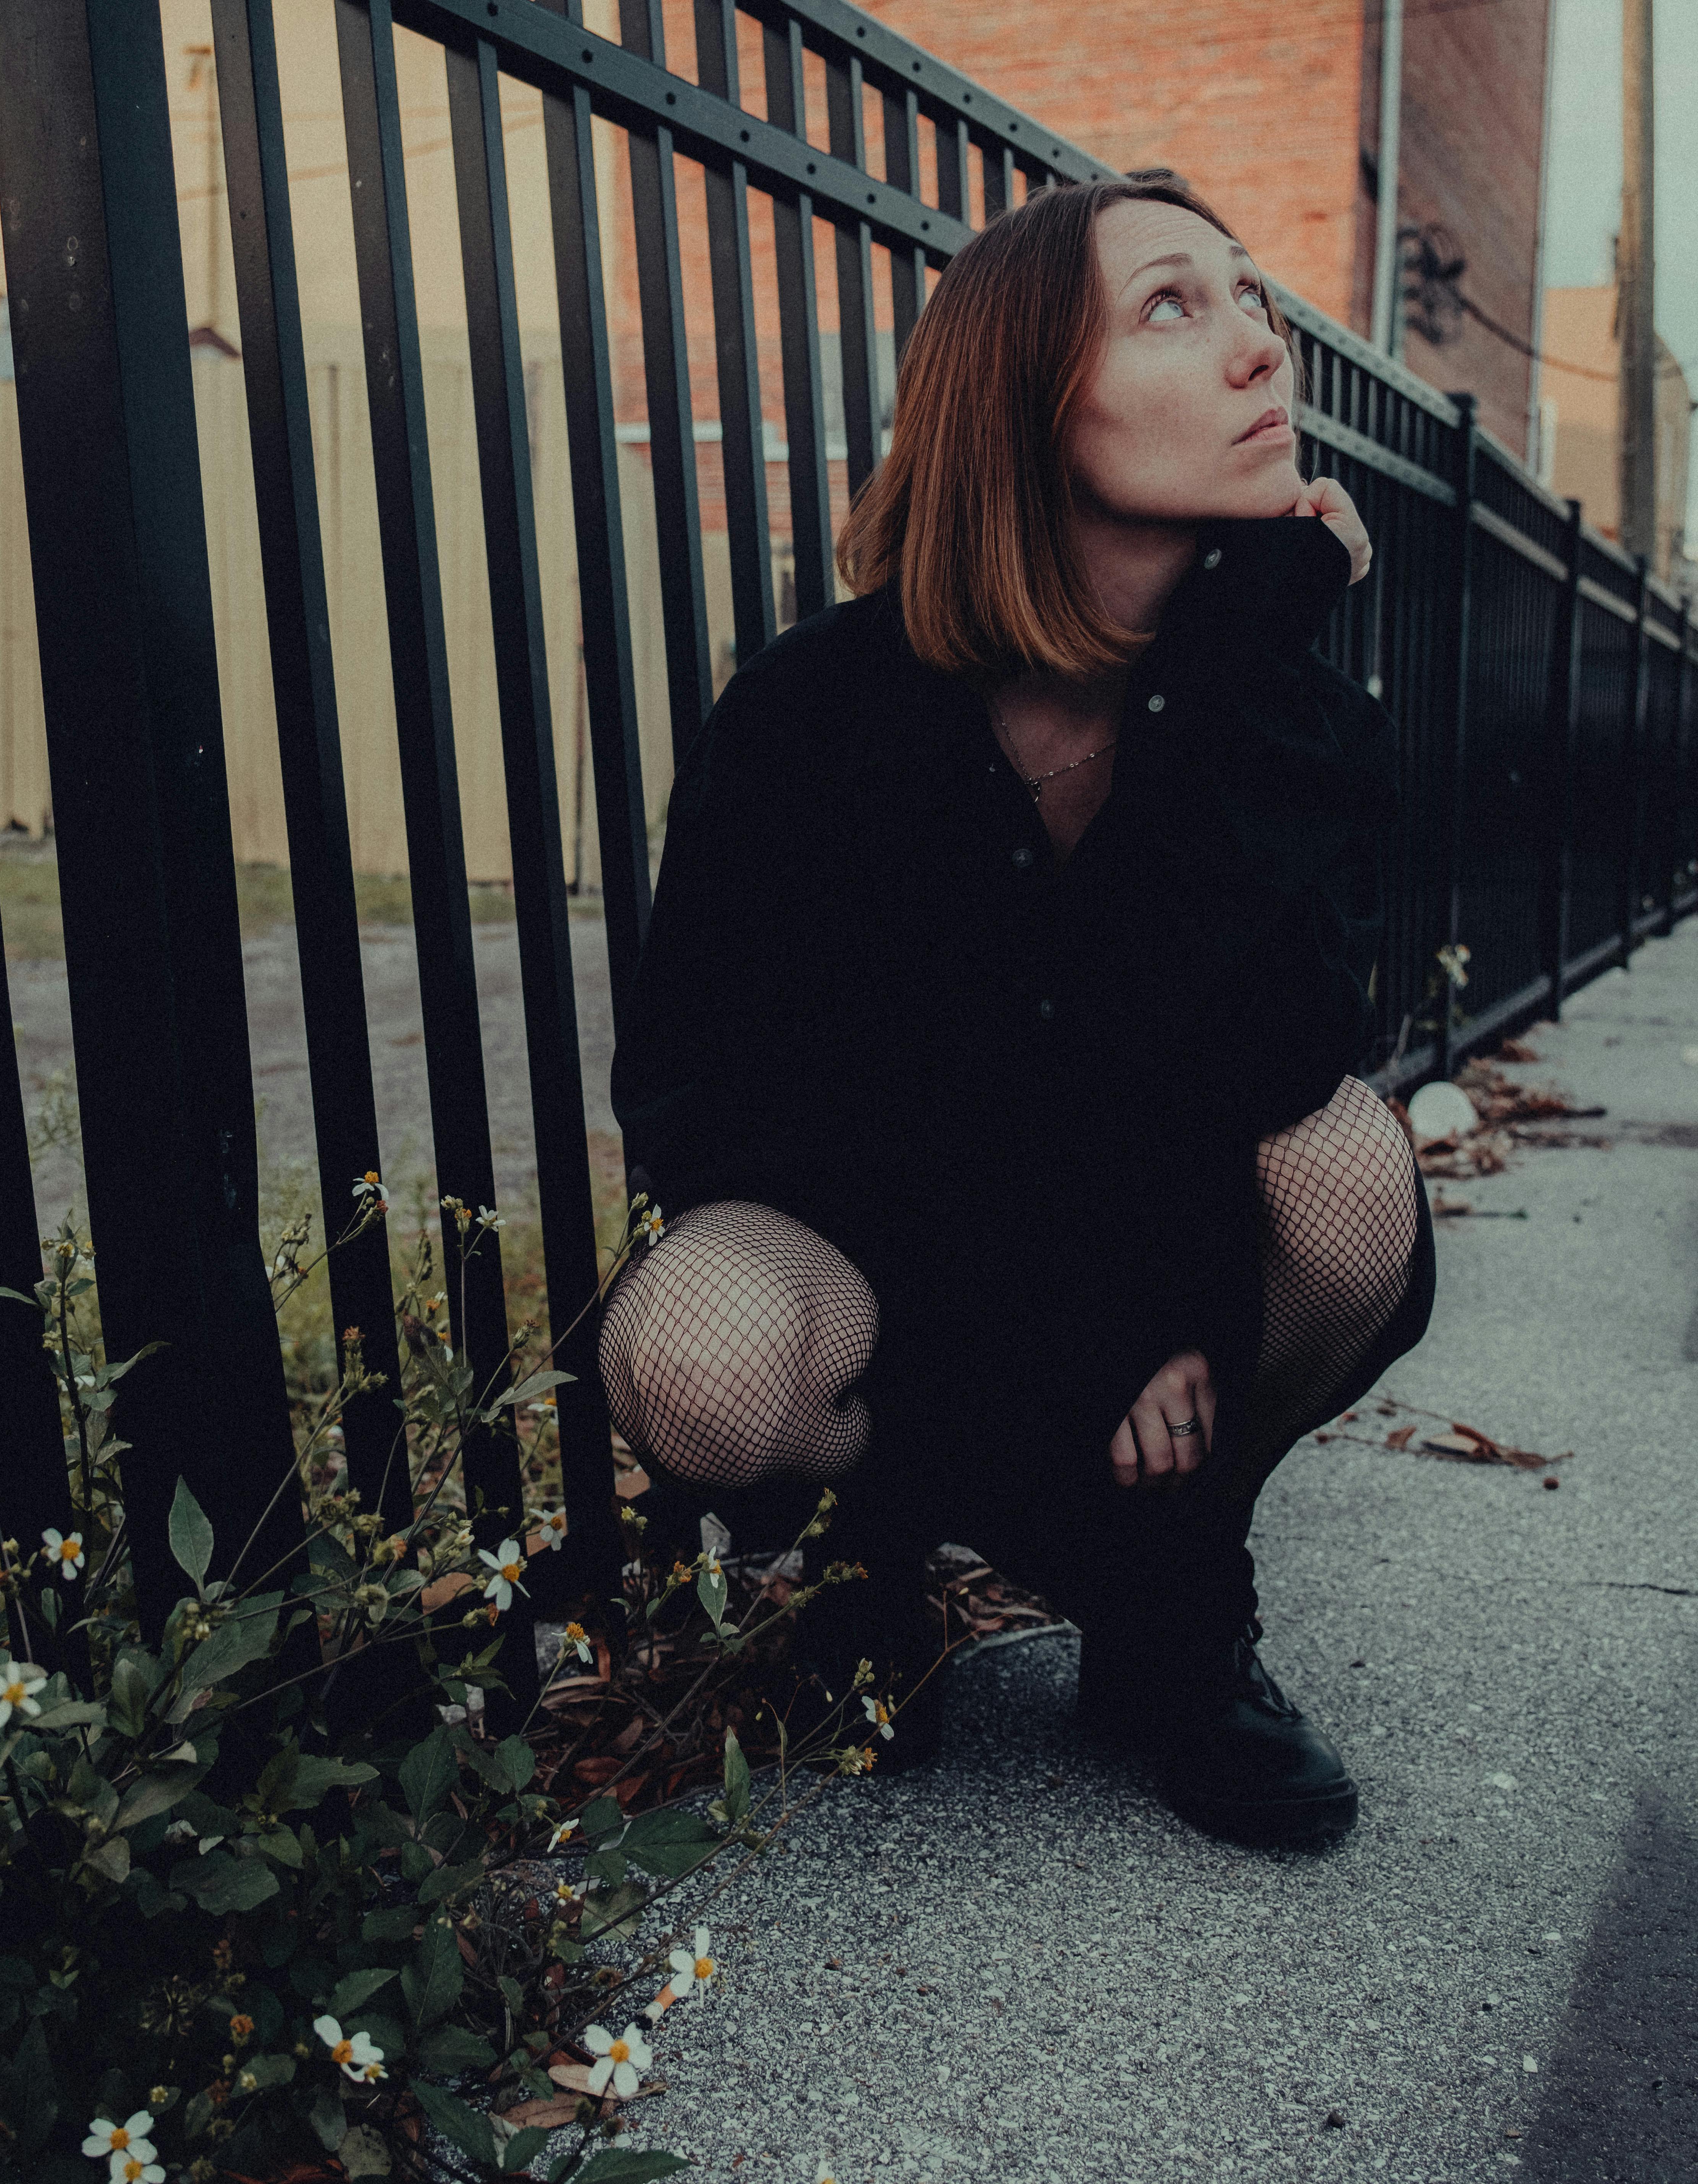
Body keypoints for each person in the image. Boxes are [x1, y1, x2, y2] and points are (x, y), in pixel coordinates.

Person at [600, 172, 1434, 1847]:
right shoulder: (812, 716)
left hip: (1144, 1238)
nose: (1263, 348)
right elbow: (705, 1103)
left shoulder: (1283, 710)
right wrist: (1069, 1328)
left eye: (1249, 297)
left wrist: (1237, 677)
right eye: (1173, 308)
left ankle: (1170, 1604)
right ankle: (867, 1567)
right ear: (1024, 404)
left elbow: (1259, 1062)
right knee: (696, 1354)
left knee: (1346, 1178)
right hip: (873, 1261)